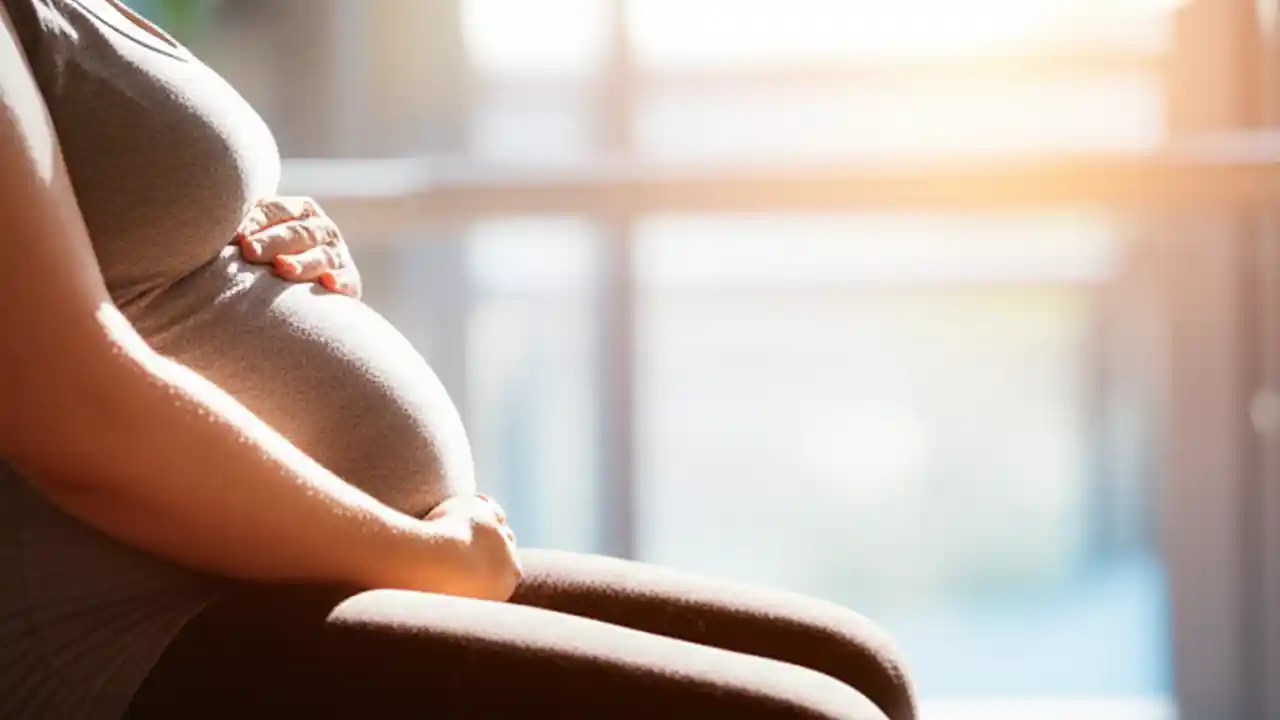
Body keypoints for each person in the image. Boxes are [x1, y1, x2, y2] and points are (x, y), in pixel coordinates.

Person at [0, 1, 917, 718]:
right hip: (118, 632)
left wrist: (243, 249)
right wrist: (421, 559)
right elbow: (72, 415)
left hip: (255, 574)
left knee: (854, 668)